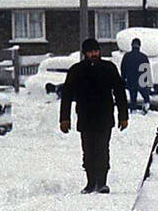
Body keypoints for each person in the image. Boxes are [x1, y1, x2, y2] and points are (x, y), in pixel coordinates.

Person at [59, 37, 128, 192]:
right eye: (90, 52)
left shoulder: (109, 68)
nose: (94, 54)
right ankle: (90, 183)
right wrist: (64, 118)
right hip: (85, 117)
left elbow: (119, 92)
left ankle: (102, 182)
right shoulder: (76, 70)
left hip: (104, 117)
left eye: (96, 51)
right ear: (85, 53)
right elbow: (67, 95)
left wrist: (123, 116)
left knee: (103, 149)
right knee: (88, 150)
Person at [120, 37, 152, 114]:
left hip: (131, 80)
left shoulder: (127, 56)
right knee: (145, 97)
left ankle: (133, 111)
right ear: (140, 46)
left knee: (133, 98)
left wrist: (123, 79)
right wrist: (149, 82)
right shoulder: (143, 56)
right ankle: (146, 106)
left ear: (131, 45)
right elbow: (147, 70)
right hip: (142, 80)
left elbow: (123, 68)